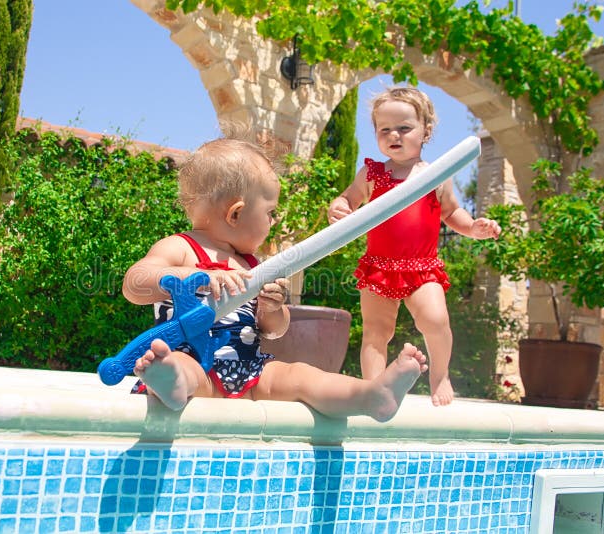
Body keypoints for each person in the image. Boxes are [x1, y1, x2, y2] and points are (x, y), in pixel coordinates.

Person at [122, 130, 428, 421]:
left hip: (249, 370)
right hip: (194, 362)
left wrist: (271, 309)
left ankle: (369, 396)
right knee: (180, 365)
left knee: (300, 375)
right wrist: (191, 276)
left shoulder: (252, 265)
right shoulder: (181, 248)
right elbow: (134, 283)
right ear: (236, 214)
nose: (274, 220)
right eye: (270, 212)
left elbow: (273, 331)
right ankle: (170, 382)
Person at [327, 86, 501, 407]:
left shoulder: (435, 175)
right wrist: (339, 206)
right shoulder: (372, 174)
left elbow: (451, 212)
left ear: (426, 132)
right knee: (376, 334)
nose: (394, 134)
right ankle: (375, 391)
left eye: (405, 128)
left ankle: (440, 375)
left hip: (422, 268)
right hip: (379, 266)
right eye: (385, 129)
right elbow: (349, 199)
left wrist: (473, 228)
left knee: (435, 320)